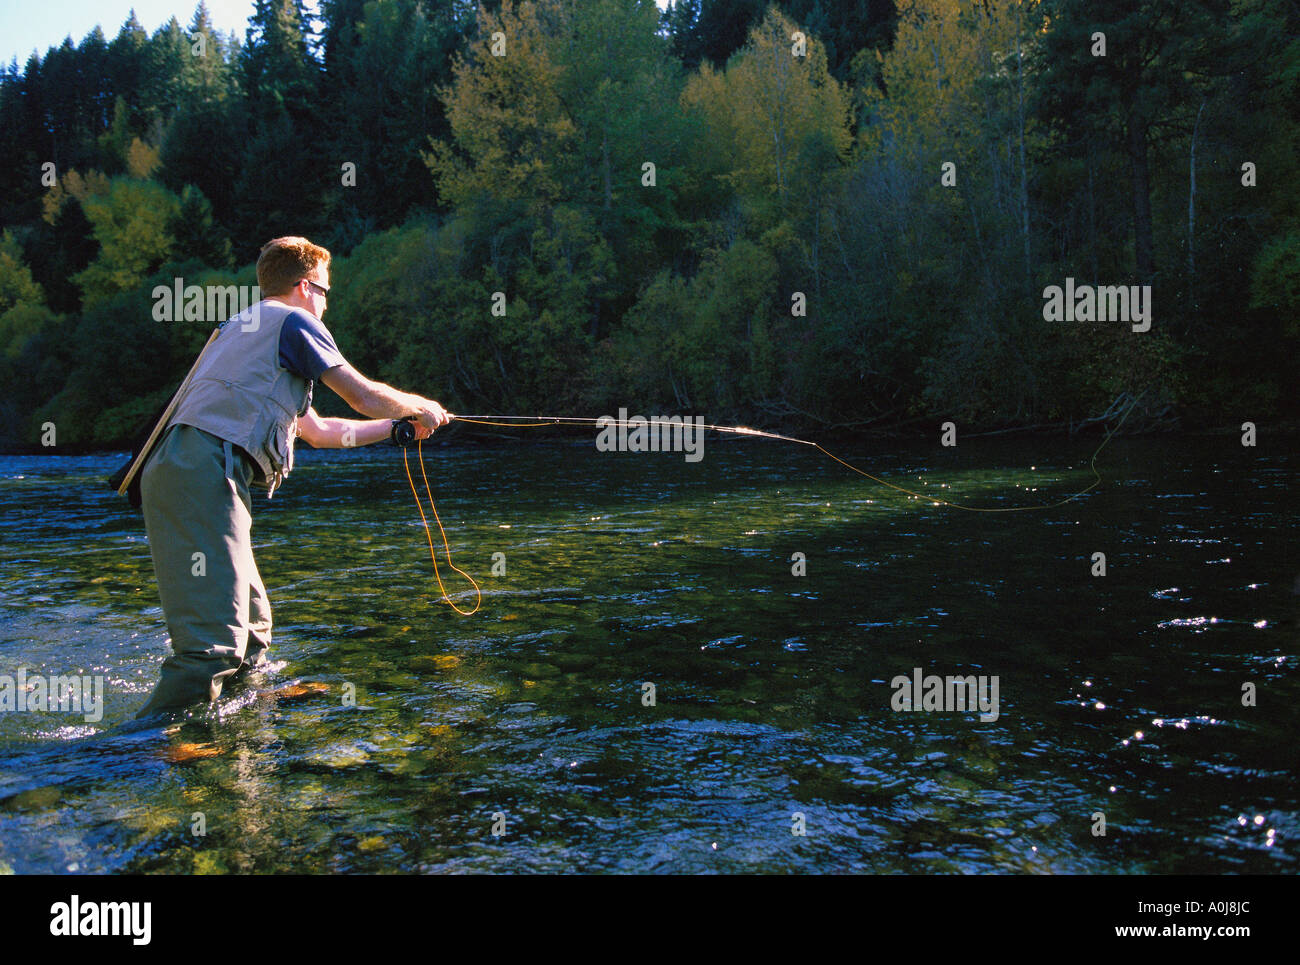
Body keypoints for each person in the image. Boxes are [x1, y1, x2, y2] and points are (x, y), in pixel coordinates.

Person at [135, 236, 450, 719]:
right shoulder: (293, 321)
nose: (326, 302)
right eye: (325, 291)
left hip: (187, 470)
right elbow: (361, 396)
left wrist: (395, 429)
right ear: (305, 287)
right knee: (212, 646)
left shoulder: (246, 329)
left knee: (255, 625)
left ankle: (241, 713)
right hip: (201, 471)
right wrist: (421, 407)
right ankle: (140, 750)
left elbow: (321, 431)